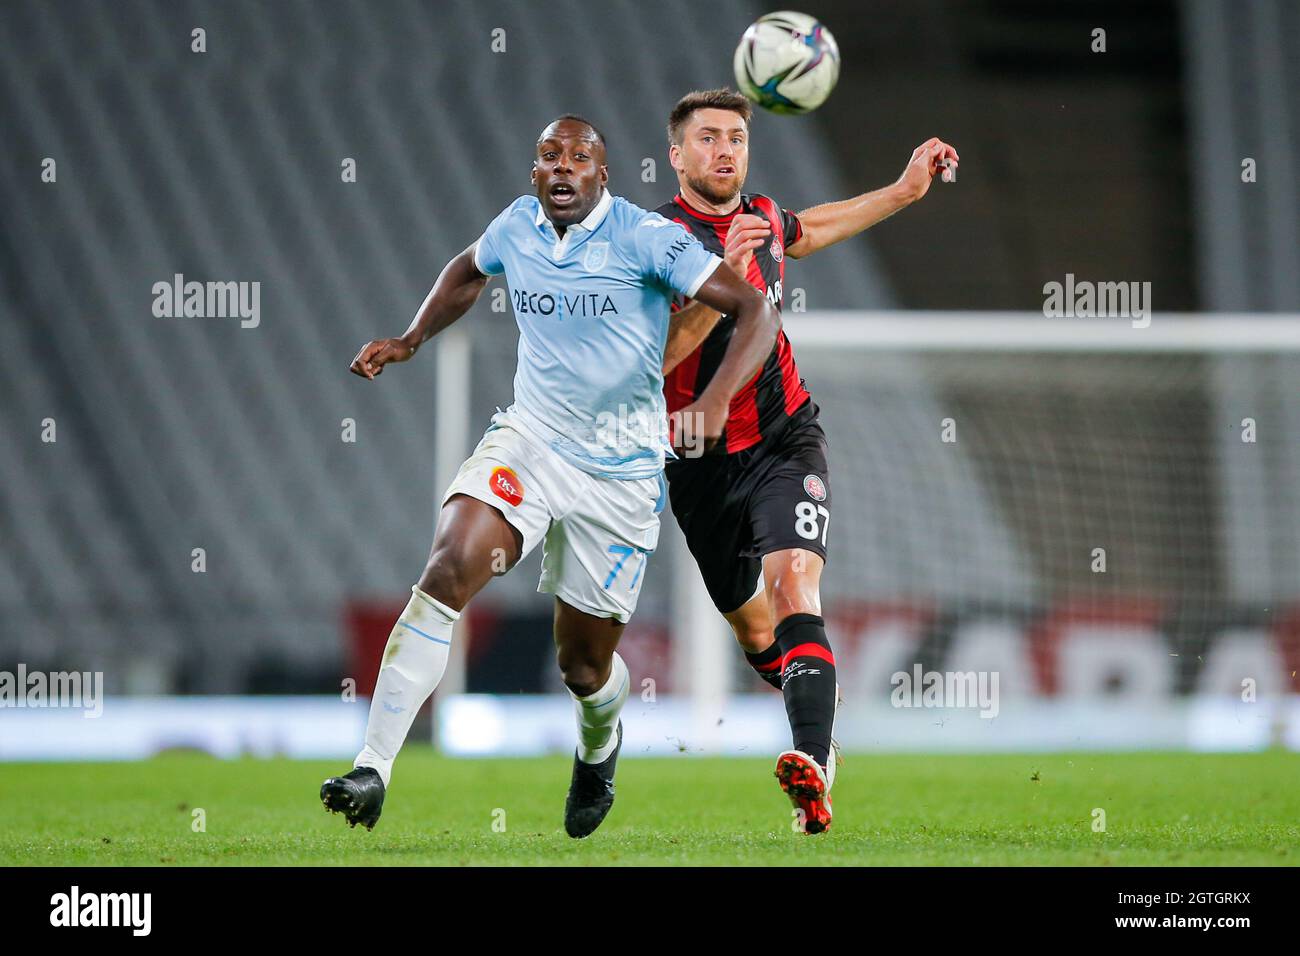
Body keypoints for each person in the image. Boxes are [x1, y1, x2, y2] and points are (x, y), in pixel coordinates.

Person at [320, 115, 778, 838]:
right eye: (549, 156)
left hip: (621, 469)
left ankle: (598, 748)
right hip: (531, 441)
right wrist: (411, 338)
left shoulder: (646, 238)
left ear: (603, 174)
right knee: (447, 569)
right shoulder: (517, 226)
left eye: (579, 156)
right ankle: (372, 767)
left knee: (584, 668)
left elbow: (754, 310)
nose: (563, 166)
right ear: (535, 173)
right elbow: (467, 271)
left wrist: (716, 399)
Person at [658, 89, 959, 833]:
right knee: (755, 631)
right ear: (676, 154)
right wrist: (721, 281)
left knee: (794, 584)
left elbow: (811, 229)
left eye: (736, 137)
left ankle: (813, 762)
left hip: (784, 437)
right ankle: (819, 714)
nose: (724, 151)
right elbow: (653, 359)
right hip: (697, 459)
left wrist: (904, 190)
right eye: (707, 138)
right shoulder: (654, 240)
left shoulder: (762, 215)